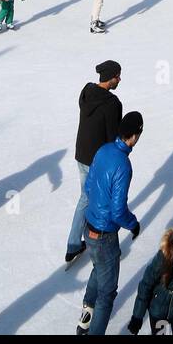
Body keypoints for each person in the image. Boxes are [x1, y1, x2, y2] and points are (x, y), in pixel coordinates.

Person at [77, 111, 143, 336]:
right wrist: (133, 224)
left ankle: (86, 314)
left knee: (98, 268)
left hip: (89, 227)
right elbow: (117, 211)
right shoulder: (123, 165)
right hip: (105, 235)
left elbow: (88, 188)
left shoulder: (103, 150)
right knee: (107, 293)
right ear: (134, 136)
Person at [65, 59, 124, 265]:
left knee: (86, 198)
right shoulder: (112, 104)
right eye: (118, 75)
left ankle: (75, 243)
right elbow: (113, 138)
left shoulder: (87, 92)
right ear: (111, 77)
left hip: (81, 155)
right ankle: (88, 244)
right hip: (96, 161)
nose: (120, 79)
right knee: (94, 201)